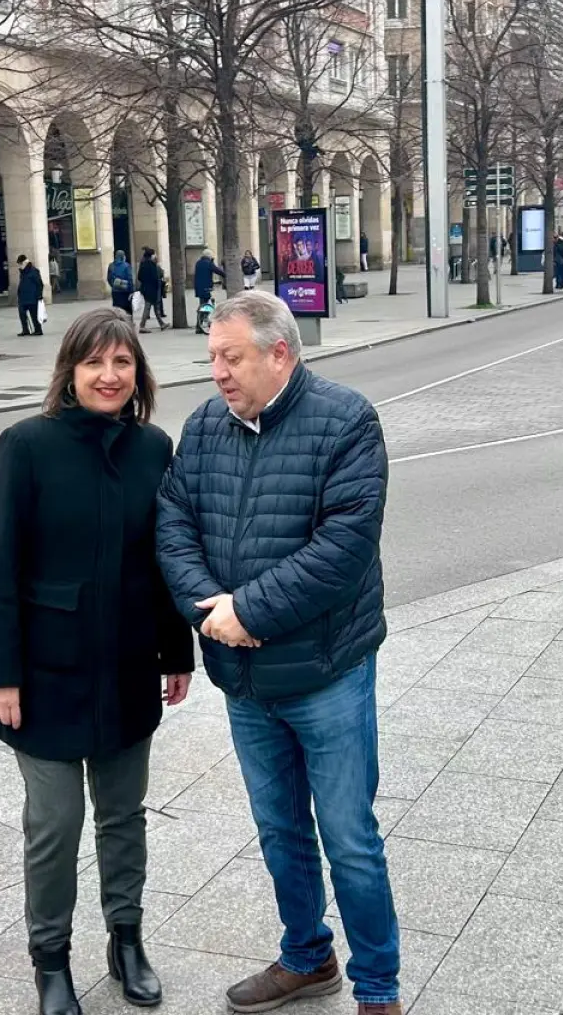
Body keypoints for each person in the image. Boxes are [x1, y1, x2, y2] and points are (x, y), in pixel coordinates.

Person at [156, 293, 401, 1015]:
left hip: (327, 672)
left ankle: (379, 990)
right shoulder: (204, 427)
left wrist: (249, 611)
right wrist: (214, 610)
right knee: (280, 829)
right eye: (212, 359)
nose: (218, 374)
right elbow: (173, 526)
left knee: (350, 838)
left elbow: (345, 548)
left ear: (280, 354)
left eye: (231, 358)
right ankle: (307, 956)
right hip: (246, 679)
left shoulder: (347, 421)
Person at [0, 307, 196, 1015]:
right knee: (56, 822)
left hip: (129, 664)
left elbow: (166, 562)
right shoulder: (26, 445)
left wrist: (176, 650)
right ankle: (50, 960)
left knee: (123, 815)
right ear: (69, 373)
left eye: (122, 363)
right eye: (94, 363)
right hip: (44, 675)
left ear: (139, 374)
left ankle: (126, 940)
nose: (109, 376)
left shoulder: (153, 449)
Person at [192, 250, 226, 335]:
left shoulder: (198, 263)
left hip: (199, 287)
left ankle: (199, 326)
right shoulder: (208, 263)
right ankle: (199, 326)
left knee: (202, 305)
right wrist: (226, 274)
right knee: (204, 307)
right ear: (209, 256)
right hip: (206, 287)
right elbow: (217, 271)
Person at [17, 254, 45, 336]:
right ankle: (25, 330)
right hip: (23, 298)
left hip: (32, 297)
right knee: (22, 314)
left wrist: (39, 295)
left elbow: (40, 284)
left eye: (20, 263)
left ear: (24, 263)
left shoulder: (34, 271)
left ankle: (38, 330)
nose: (19, 265)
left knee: (34, 315)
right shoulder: (22, 272)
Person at [107, 249, 136, 314]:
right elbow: (130, 279)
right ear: (123, 256)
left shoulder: (111, 265)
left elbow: (109, 278)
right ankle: (128, 323)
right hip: (125, 292)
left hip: (115, 292)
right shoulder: (126, 265)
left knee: (117, 310)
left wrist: (114, 285)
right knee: (127, 310)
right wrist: (131, 290)